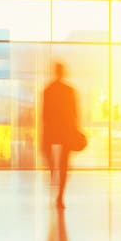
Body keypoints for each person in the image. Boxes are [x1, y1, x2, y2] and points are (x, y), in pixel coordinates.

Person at [42, 62, 79, 208]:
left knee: (52, 159)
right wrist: (75, 130)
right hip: (66, 131)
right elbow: (75, 114)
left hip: (52, 130)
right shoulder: (69, 90)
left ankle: (53, 172)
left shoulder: (48, 90)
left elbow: (44, 115)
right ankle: (60, 196)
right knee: (64, 164)